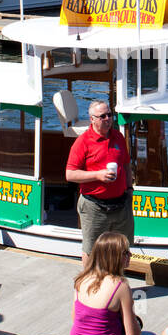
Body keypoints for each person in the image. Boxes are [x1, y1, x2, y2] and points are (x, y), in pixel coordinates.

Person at [66, 100, 134, 268]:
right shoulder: (82, 142)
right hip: (94, 207)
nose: (108, 119)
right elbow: (70, 174)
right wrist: (98, 175)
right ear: (92, 119)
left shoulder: (118, 137)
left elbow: (126, 164)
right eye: (102, 116)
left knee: (122, 248)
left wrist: (129, 189)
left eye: (110, 115)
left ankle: (116, 285)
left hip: (120, 205)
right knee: (91, 250)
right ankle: (90, 287)